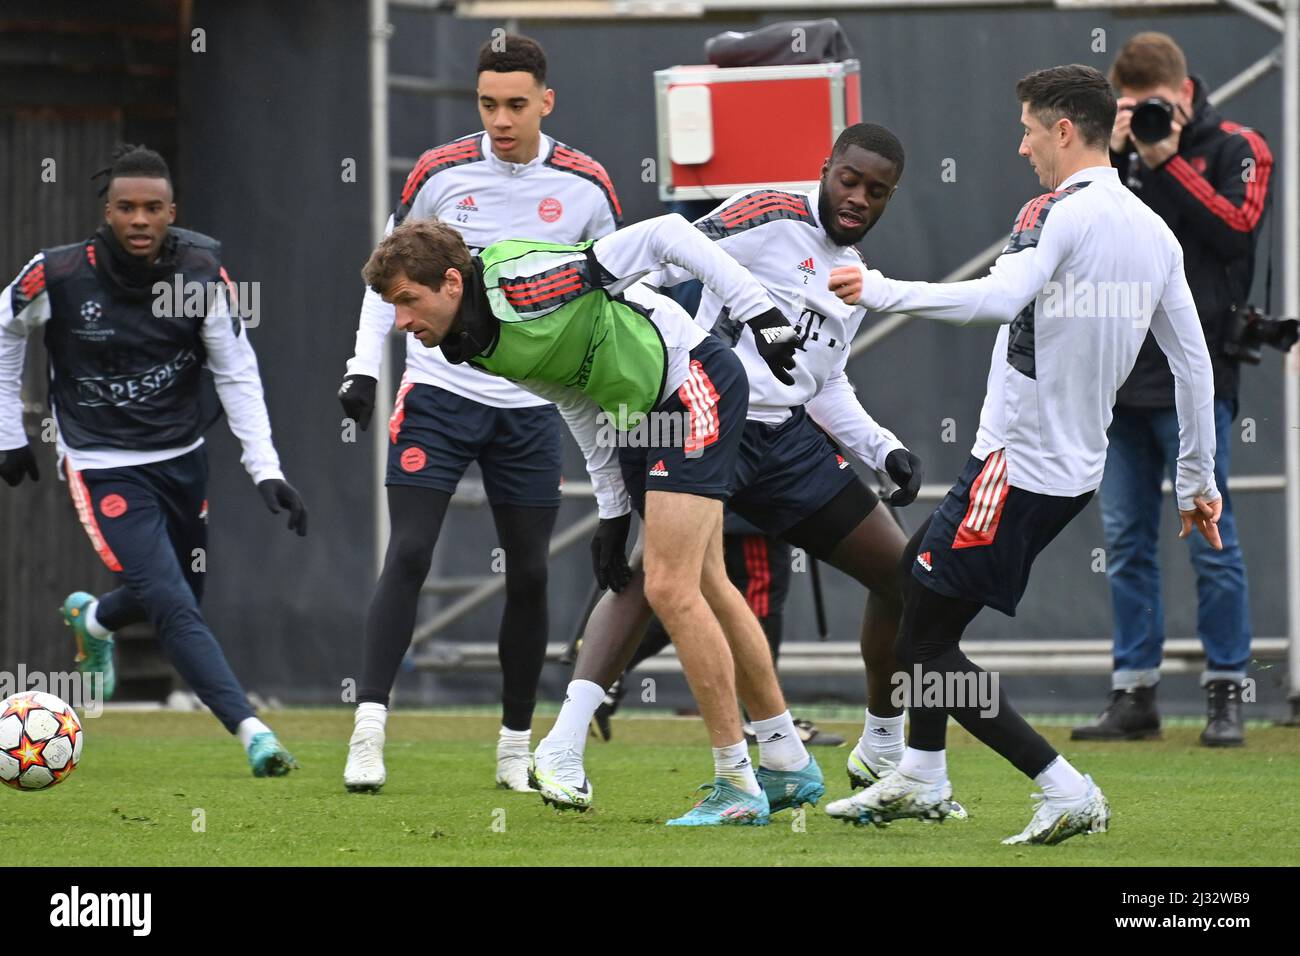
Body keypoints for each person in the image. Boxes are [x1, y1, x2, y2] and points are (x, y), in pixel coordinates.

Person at [822, 65, 1221, 845]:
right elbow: (1194, 363)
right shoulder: (1154, 230)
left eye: (1031, 129)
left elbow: (998, 300)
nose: (1022, 145)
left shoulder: (1056, 210)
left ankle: (1061, 785)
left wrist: (879, 290)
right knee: (914, 596)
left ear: (1064, 131)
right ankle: (923, 773)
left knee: (925, 642)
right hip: (1069, 473)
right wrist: (1197, 480)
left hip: (1014, 464)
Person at [360, 211, 810, 826]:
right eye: (392, 306)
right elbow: (574, 393)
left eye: (408, 301)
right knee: (705, 581)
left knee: (669, 587)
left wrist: (758, 313)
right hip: (635, 410)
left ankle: (737, 782)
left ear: (452, 283)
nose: (401, 322)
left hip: (691, 379)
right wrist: (612, 510)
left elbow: (667, 233)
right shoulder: (471, 346)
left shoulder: (523, 285)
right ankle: (786, 759)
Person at [531, 123, 928, 814]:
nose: (859, 198)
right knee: (657, 576)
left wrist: (882, 449)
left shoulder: (853, 275)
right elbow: (657, 263)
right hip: (708, 415)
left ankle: (881, 746)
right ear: (825, 166)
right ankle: (564, 740)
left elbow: (824, 384)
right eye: (850, 179)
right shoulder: (766, 213)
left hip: (787, 445)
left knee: (905, 578)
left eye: (877, 191)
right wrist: (653, 355)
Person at [338, 34, 622, 794]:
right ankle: (368, 733)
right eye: (488, 103)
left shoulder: (589, 186)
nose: (501, 119)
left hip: (531, 401)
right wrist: (365, 368)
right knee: (409, 554)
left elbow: (614, 297)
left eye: (517, 105)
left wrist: (612, 402)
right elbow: (387, 274)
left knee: (528, 573)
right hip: (437, 392)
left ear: (546, 103)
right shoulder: (439, 171)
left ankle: (512, 749)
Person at [0, 145, 307, 777]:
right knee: (172, 601)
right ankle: (251, 729)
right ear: (106, 211)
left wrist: (266, 469)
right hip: (101, 462)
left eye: (152, 208)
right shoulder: (55, 274)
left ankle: (94, 618)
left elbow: (237, 372)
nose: (139, 219)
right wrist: (8, 432)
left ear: (172, 212)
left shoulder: (202, 275)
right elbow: (3, 331)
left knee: (178, 591)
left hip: (181, 458)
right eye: (126, 207)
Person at [1072, 32, 1271, 748]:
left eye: (1153, 107)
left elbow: (1238, 232)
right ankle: (1134, 696)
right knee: (1125, 541)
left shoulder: (1235, 146)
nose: (1145, 121)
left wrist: (1167, 161)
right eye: (1129, 110)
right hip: (1120, 382)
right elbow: (1078, 236)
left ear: (1184, 95)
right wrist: (1114, 157)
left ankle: (1226, 695)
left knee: (1212, 543)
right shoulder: (1111, 162)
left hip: (1197, 380)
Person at [589, 514, 846, 748]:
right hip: (746, 504)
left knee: (691, 601)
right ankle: (763, 718)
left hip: (709, 501)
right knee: (757, 597)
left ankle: (602, 668)